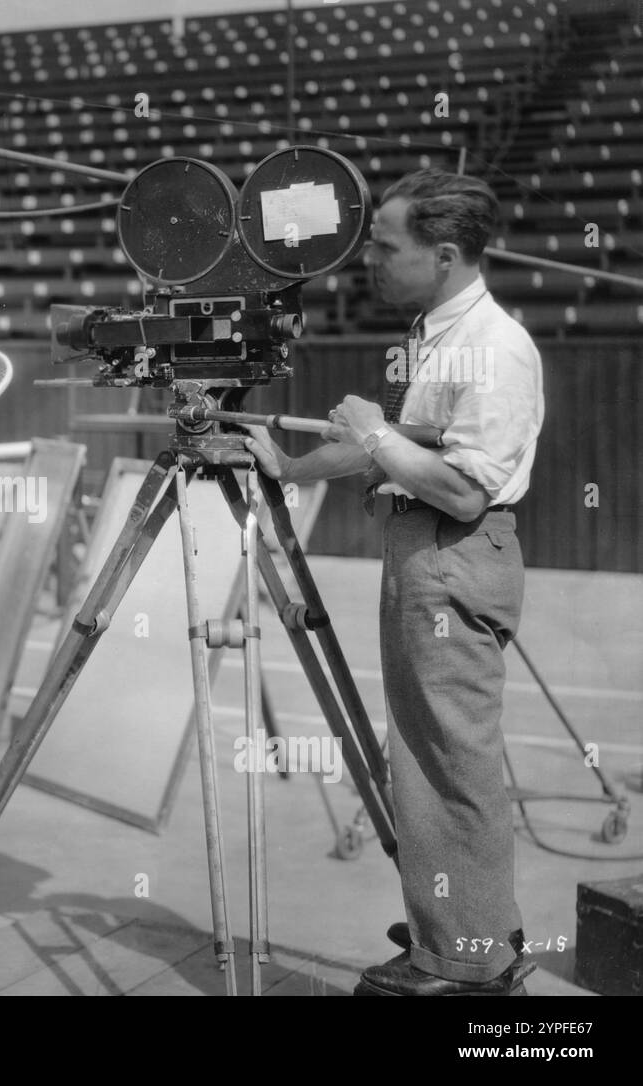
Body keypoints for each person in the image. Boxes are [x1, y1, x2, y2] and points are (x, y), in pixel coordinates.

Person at [245, 169, 544, 996]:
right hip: (424, 551)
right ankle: (450, 930)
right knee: (418, 754)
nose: (368, 258)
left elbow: (460, 486)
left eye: (386, 245)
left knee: (451, 760)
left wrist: (375, 438)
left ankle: (472, 963)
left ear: (444, 254)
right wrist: (295, 465)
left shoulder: (495, 348)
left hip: (455, 546)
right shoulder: (433, 331)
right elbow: (394, 440)